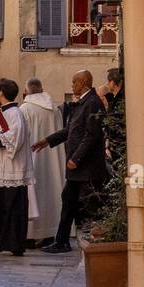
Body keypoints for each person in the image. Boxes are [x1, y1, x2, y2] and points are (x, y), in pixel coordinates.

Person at [32, 69, 108, 252]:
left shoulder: (92, 103)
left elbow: (92, 135)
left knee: (92, 204)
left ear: (83, 83)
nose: (72, 85)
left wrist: (76, 158)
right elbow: (70, 130)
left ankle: (99, 242)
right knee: (69, 200)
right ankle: (62, 241)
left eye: (74, 82)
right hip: (77, 169)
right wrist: (47, 140)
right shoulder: (81, 104)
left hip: (86, 168)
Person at [0, 77, 33, 256]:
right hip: (1, 167)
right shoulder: (3, 111)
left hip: (13, 169)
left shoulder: (15, 113)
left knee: (12, 207)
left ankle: (13, 243)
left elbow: (14, 139)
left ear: (2, 93)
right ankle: (0, 240)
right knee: (0, 206)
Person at [21, 78, 65, 246]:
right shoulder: (54, 109)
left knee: (35, 195)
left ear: (27, 91)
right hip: (53, 160)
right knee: (52, 194)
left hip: (34, 158)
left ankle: (30, 235)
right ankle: (50, 233)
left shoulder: (25, 109)